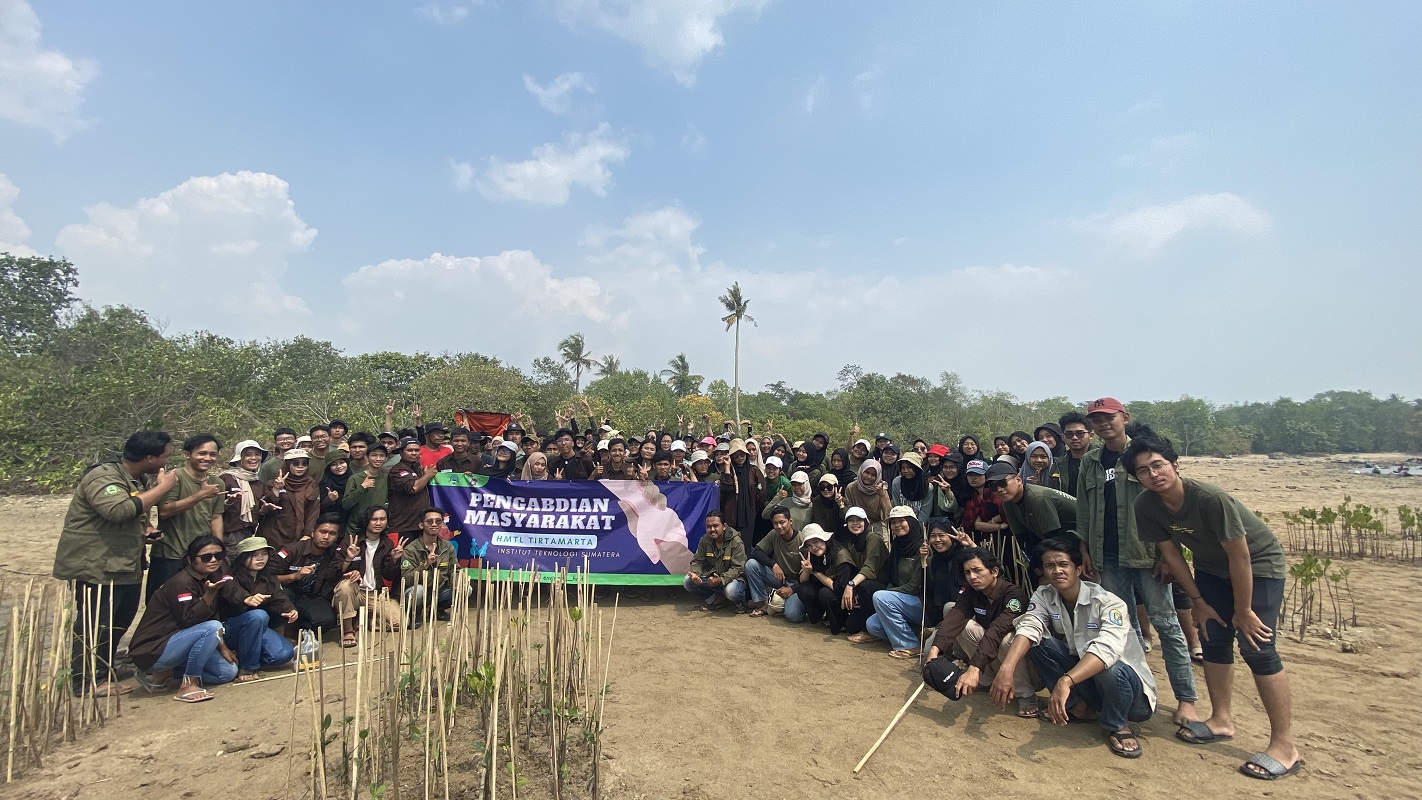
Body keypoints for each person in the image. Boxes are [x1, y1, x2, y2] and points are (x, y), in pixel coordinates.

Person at [1125, 432, 1302, 780]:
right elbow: (1172, 554)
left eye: (1158, 465)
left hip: (1258, 566)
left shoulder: (1210, 498)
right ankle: (1221, 720)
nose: (1153, 474)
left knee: (1259, 649)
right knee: (1213, 640)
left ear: (1175, 465)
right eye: (1143, 471)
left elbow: (1241, 555)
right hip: (1209, 569)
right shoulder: (1146, 505)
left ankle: (1284, 745)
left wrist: (1245, 610)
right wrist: (1199, 602)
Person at [1078, 397, 1199, 725]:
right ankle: (1137, 692)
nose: (1104, 424)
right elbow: (1085, 511)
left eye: (1109, 417)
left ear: (1124, 418)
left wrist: (1166, 555)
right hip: (1108, 557)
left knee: (1167, 625)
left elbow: (1167, 502)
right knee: (1123, 628)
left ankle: (1186, 699)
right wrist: (1086, 551)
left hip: (1147, 554)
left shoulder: (1143, 456)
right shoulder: (1090, 462)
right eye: (1097, 419)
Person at [992, 538, 1157, 759]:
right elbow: (1030, 625)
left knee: (1110, 667)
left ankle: (1117, 724)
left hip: (1130, 697)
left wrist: (1065, 680)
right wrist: (1007, 668)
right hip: (1090, 686)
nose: (1057, 571)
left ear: (1078, 569)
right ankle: (1079, 708)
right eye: (1050, 566)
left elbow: (1106, 649)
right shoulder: (1044, 595)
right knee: (1036, 641)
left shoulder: (1109, 602)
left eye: (1063, 564)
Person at [54, 430, 179, 697]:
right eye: (166, 455)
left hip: (124, 563)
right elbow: (117, 510)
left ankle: (104, 667)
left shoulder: (134, 478)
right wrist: (163, 488)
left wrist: (147, 530)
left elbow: (134, 514)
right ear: (149, 457)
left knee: (120, 619)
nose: (168, 460)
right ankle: (86, 681)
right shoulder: (103, 477)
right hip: (96, 565)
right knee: (94, 622)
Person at [925, 547, 1037, 716]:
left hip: (1020, 662)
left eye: (977, 570)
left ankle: (1026, 694)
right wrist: (935, 650)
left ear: (994, 572)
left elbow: (996, 631)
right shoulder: (971, 592)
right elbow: (956, 617)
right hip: (991, 650)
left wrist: (974, 667)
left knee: (1008, 639)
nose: (972, 577)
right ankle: (986, 680)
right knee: (963, 625)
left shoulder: (1014, 597)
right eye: (968, 572)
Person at [128, 535, 240, 702]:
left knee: (226, 672)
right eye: (206, 557)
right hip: (153, 649)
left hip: (179, 643)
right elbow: (190, 620)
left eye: (219, 556)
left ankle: (164, 673)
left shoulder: (208, 579)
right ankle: (188, 684)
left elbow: (208, 617)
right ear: (190, 559)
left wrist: (222, 646)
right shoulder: (182, 582)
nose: (213, 560)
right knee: (212, 627)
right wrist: (210, 594)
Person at [151, 434, 226, 599]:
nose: (207, 458)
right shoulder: (174, 478)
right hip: (171, 553)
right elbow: (164, 511)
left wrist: (218, 549)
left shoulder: (217, 483)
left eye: (212, 454)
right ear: (187, 454)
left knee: (195, 602)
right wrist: (200, 495)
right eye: (202, 453)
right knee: (162, 602)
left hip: (201, 556)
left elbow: (215, 516)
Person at [986, 461, 1081, 585]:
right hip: (1057, 539)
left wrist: (1043, 571)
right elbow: (1022, 538)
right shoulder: (1008, 504)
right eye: (993, 487)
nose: (999, 489)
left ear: (1019, 480)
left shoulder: (1037, 498)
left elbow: (1053, 538)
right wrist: (1036, 567)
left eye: (1003, 483)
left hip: (1080, 537)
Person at [217, 536, 297, 682]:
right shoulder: (230, 575)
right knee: (258, 615)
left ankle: (244, 655)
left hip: (256, 628)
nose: (261, 559)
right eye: (254, 555)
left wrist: (291, 610)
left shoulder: (268, 578)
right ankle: (247, 668)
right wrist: (246, 598)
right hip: (230, 627)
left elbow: (279, 597)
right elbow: (231, 590)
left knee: (285, 654)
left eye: (264, 554)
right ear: (242, 557)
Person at [857, 506, 927, 658]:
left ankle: (911, 645)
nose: (897, 525)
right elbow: (891, 577)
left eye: (901, 521)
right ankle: (915, 633)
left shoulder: (922, 548)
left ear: (912, 522)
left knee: (880, 597)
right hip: (903, 601)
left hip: (922, 604)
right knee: (872, 625)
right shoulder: (898, 546)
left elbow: (914, 587)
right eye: (893, 522)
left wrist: (885, 594)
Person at [333, 506, 405, 645]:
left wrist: (395, 559)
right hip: (354, 592)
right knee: (345, 586)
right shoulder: (351, 540)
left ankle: (365, 619)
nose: (378, 523)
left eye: (382, 519)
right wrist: (348, 559)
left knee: (400, 623)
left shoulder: (387, 543)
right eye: (374, 519)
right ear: (366, 521)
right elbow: (333, 572)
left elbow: (389, 576)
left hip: (375, 593)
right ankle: (348, 631)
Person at [271, 514, 348, 632]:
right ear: (313, 532)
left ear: (337, 537)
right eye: (322, 531)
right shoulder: (292, 550)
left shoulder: (335, 553)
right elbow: (268, 578)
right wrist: (294, 576)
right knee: (282, 596)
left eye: (332, 534)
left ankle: (296, 629)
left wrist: (350, 564)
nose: (326, 537)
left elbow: (336, 575)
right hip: (287, 593)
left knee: (327, 621)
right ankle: (281, 630)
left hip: (310, 597)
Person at [835, 507, 890, 637]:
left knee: (865, 586)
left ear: (866, 522)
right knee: (851, 626)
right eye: (851, 520)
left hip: (881, 586)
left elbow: (869, 567)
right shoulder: (852, 543)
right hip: (863, 588)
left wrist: (851, 585)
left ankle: (867, 633)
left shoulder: (873, 538)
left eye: (859, 520)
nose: (855, 523)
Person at [744, 507, 806, 619]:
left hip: (798, 583)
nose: (779, 526)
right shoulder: (774, 534)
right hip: (780, 578)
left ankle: (781, 602)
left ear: (790, 521)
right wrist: (773, 564)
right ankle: (763, 603)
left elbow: (810, 575)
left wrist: (792, 589)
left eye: (782, 522)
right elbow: (756, 552)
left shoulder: (802, 539)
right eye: (775, 523)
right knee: (751, 564)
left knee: (793, 616)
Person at [400, 508, 457, 626]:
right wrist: (426, 565)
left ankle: (438, 609)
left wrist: (456, 580)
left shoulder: (448, 547)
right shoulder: (411, 549)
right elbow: (406, 578)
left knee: (466, 588)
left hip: (439, 591)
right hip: (418, 591)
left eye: (438, 521)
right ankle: (414, 614)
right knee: (419, 591)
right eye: (430, 521)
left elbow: (455, 570)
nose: (434, 524)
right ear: (421, 525)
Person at [218, 439, 272, 561]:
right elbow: (213, 509)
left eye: (257, 454)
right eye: (248, 454)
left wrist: (263, 510)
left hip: (249, 534)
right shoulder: (226, 478)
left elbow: (257, 512)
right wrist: (228, 503)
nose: (253, 458)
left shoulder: (258, 483)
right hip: (229, 535)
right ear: (239, 458)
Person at [683, 511, 747, 611]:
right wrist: (696, 574)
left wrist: (721, 580)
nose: (712, 529)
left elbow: (738, 568)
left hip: (732, 579)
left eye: (715, 526)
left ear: (724, 526)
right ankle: (716, 600)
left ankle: (740, 603)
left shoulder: (736, 541)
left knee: (732, 592)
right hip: (711, 578)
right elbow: (697, 560)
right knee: (688, 581)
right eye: (708, 526)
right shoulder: (704, 540)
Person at [257, 448, 321, 547]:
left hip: (299, 537)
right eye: (295, 463)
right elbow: (265, 507)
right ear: (287, 464)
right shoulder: (273, 483)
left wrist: (307, 533)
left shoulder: (311, 484)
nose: (300, 466)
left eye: (305, 463)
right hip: (274, 534)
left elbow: (313, 510)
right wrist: (276, 489)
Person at [388, 438, 439, 541]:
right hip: (403, 526)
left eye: (416, 450)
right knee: (401, 556)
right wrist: (427, 475)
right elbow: (413, 488)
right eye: (410, 450)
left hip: (419, 524)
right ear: (401, 452)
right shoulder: (398, 469)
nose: (414, 453)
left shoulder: (417, 468)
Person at [791, 523, 838, 629]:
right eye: (809, 545)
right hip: (820, 588)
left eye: (816, 541)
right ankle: (817, 615)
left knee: (825, 593)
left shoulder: (838, 553)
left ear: (824, 539)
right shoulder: (808, 556)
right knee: (803, 589)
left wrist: (816, 572)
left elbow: (836, 587)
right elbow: (801, 581)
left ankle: (836, 618)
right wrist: (807, 571)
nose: (814, 547)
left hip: (839, 591)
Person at [890, 452, 955, 524]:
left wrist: (917, 528)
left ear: (916, 468)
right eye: (903, 468)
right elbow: (897, 506)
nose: (905, 471)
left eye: (909, 467)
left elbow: (925, 512)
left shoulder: (927, 487)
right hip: (901, 523)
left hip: (919, 526)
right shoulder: (897, 482)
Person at [341, 443, 389, 537]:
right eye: (374, 455)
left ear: (386, 458)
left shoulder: (386, 478)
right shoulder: (355, 478)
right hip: (356, 529)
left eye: (382, 455)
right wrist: (362, 488)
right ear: (367, 457)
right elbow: (346, 504)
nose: (378, 459)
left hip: (378, 529)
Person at [843, 459, 891, 539]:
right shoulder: (851, 488)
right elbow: (848, 510)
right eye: (867, 472)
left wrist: (882, 495)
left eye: (873, 475)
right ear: (861, 471)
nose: (869, 477)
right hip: (856, 523)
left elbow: (888, 513)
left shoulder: (880, 489)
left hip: (876, 525)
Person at [961, 460, 1006, 540]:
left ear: (986, 475)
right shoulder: (973, 497)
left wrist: (991, 522)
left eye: (978, 474)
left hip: (1005, 536)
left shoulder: (996, 492)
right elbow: (977, 525)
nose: (973, 478)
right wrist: (999, 526)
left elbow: (1007, 512)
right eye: (970, 475)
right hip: (987, 539)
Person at [1056, 412, 1094, 497]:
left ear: (1091, 435)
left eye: (1080, 433)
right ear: (1063, 437)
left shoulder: (1100, 460)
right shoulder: (1056, 465)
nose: (1074, 438)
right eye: (1069, 434)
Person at [319, 453, 353, 525]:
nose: (339, 466)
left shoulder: (353, 480)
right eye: (334, 464)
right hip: (330, 523)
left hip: (351, 521)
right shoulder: (324, 483)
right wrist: (328, 500)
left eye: (341, 462)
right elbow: (318, 508)